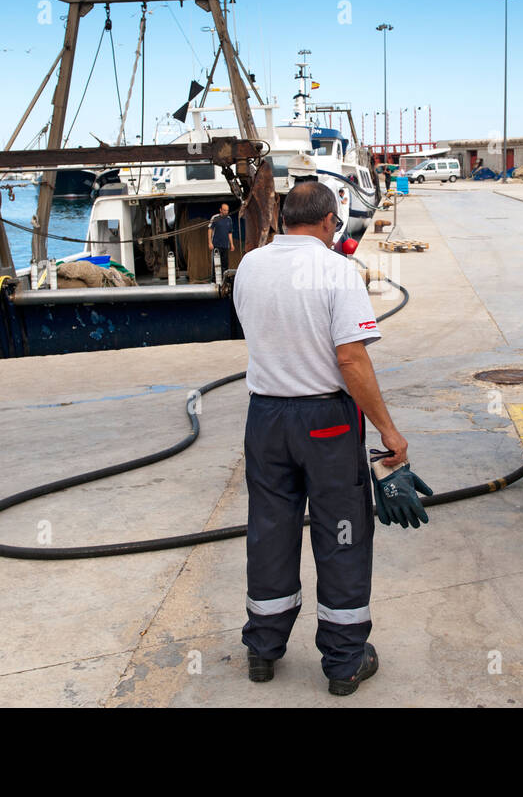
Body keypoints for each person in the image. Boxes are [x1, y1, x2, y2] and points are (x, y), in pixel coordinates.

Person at [233, 181, 409, 696]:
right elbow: (350, 360)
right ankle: (344, 661)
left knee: (269, 529)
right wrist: (387, 430)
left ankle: (262, 649)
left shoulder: (250, 265)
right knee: (342, 533)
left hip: (265, 417)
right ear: (331, 222)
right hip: (325, 423)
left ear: (284, 219)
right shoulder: (336, 270)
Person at [209, 202, 234, 272]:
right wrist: (210, 242)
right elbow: (210, 230)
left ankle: (224, 280)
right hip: (216, 244)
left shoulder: (229, 219)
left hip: (225, 245)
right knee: (216, 263)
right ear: (220, 210)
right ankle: (214, 280)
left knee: (225, 263)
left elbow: (230, 232)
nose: (226, 212)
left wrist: (231, 244)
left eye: (227, 210)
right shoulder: (215, 218)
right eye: (224, 210)